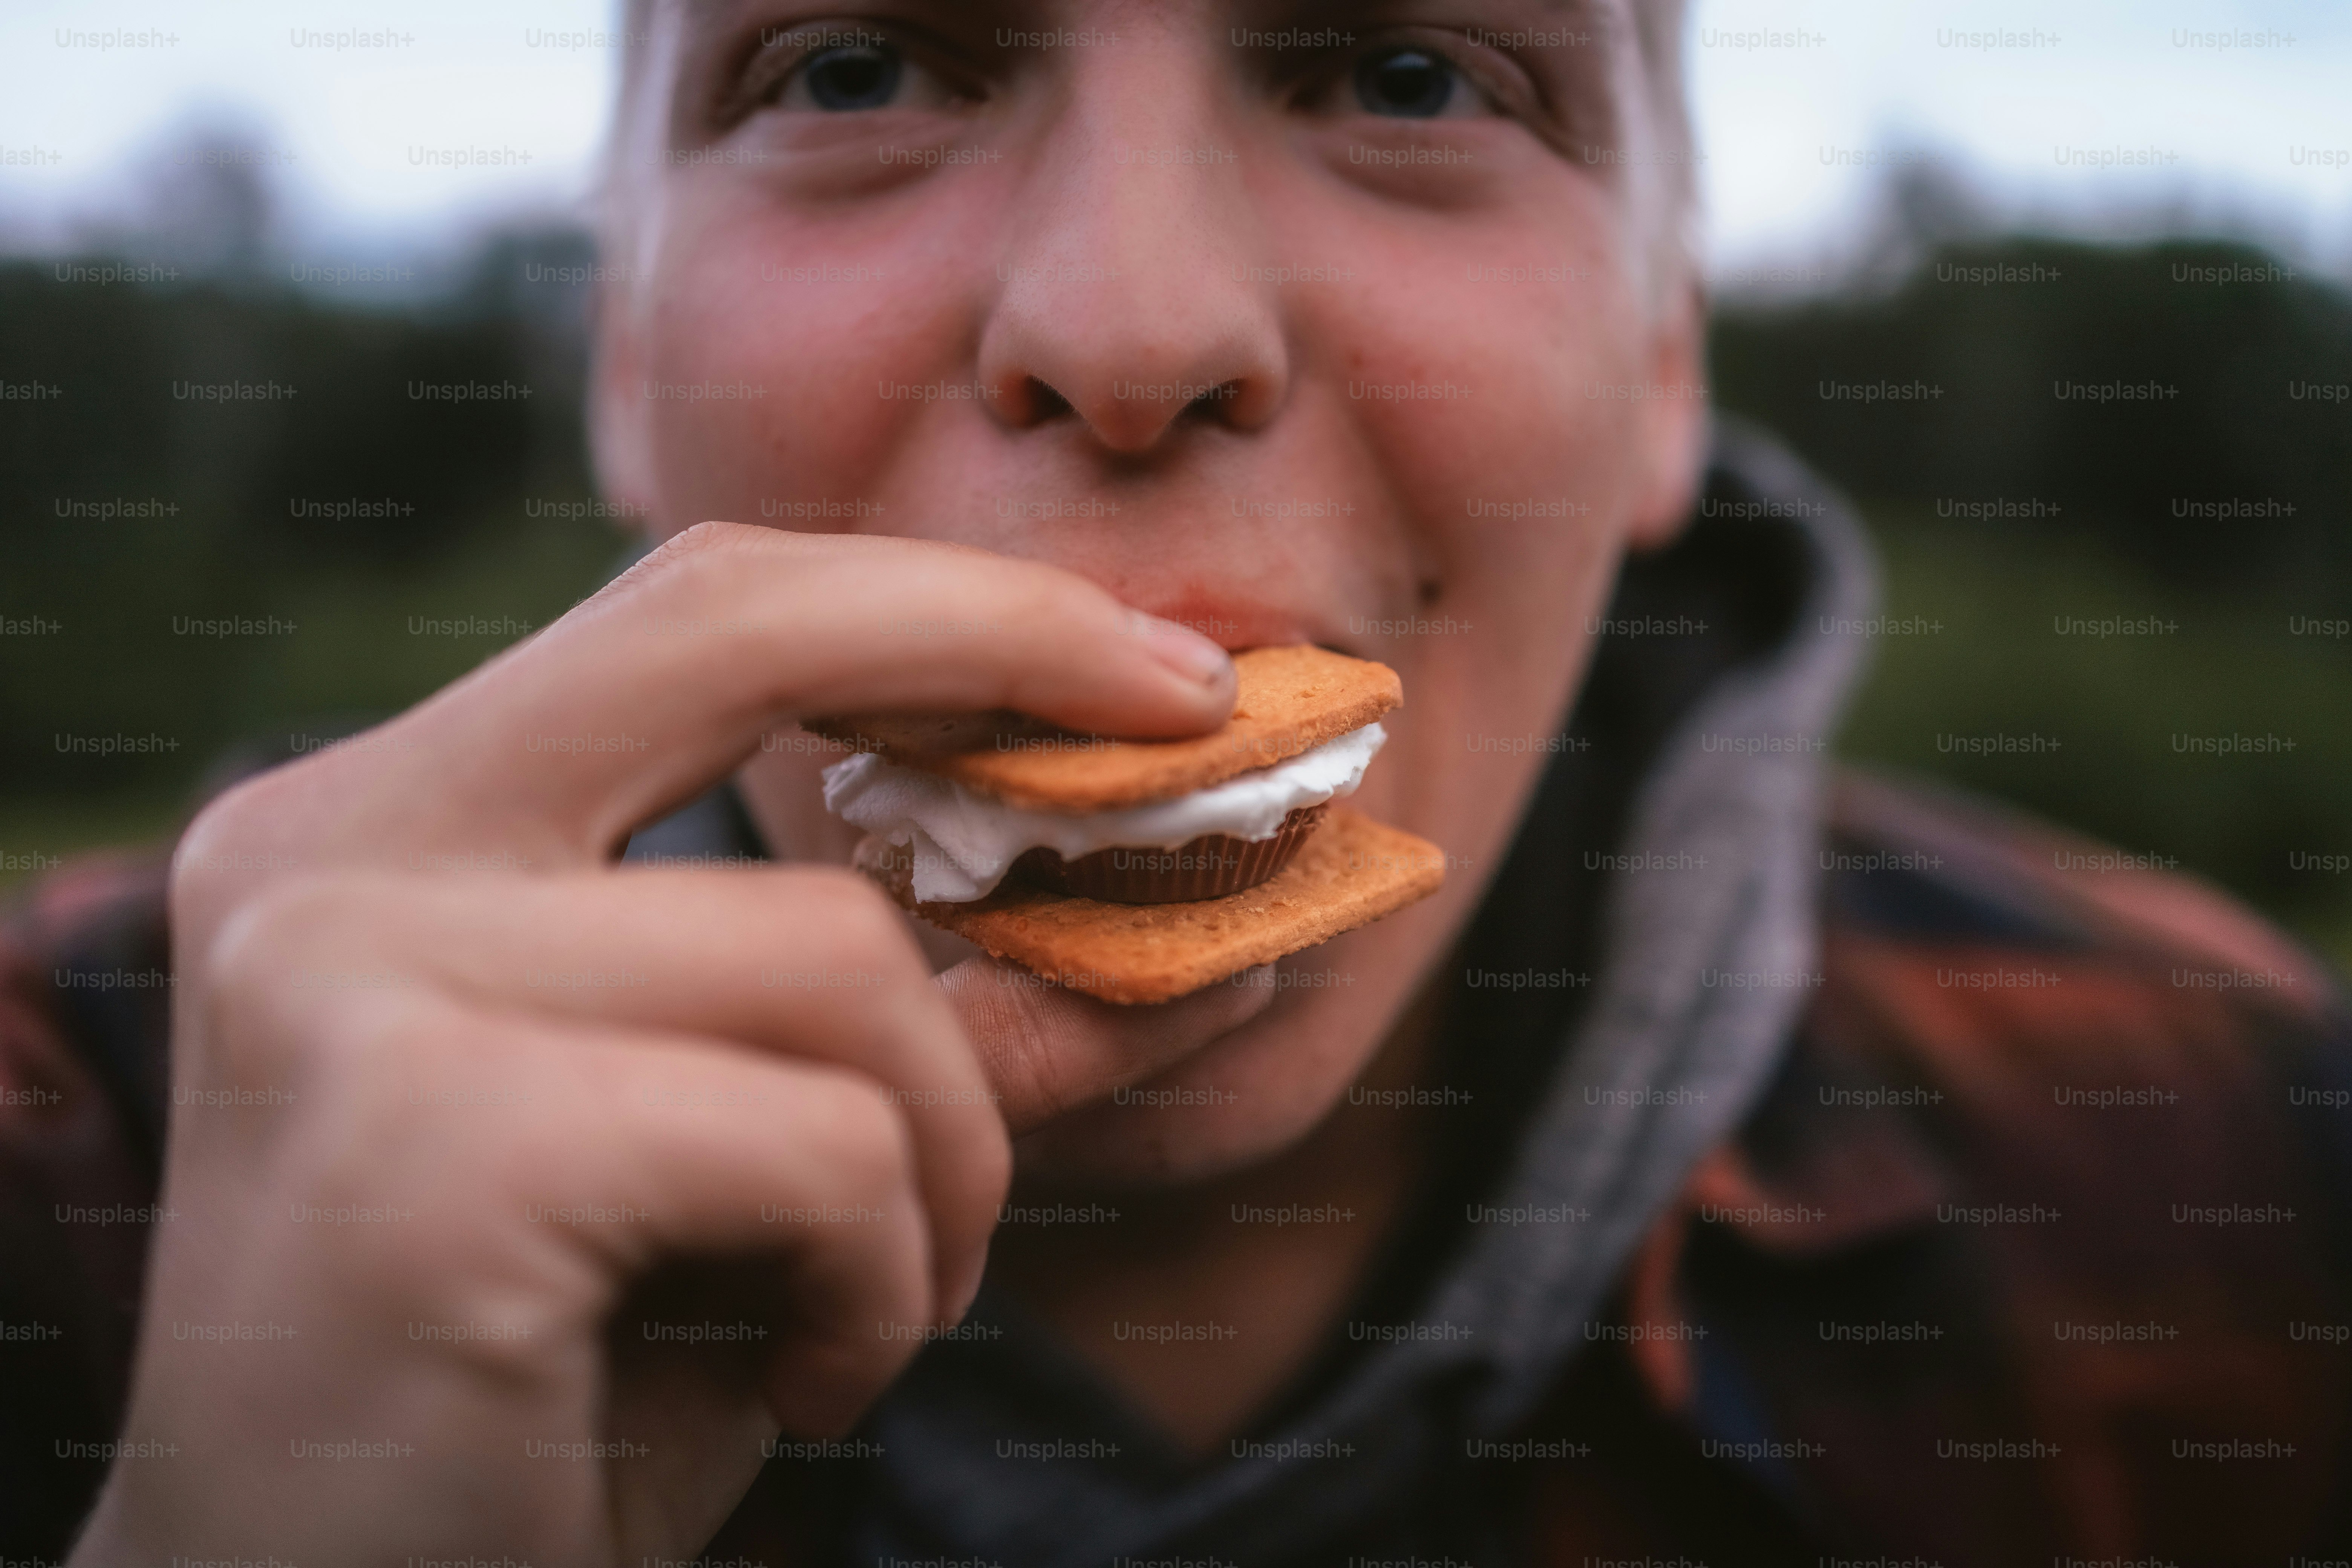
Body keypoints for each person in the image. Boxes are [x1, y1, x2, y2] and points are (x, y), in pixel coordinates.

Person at [8, 2, 2347, 1562]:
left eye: (1413, 73)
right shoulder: (61, 1179)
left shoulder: (2244, 1165)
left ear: (1660, 364)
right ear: (621, 347)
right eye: (855, 62)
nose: (1131, 329)